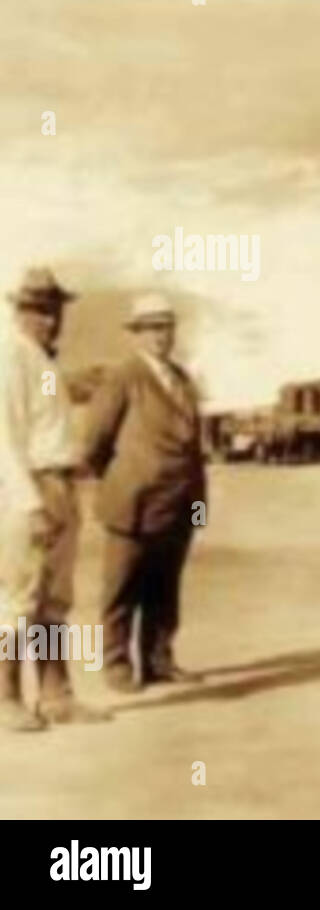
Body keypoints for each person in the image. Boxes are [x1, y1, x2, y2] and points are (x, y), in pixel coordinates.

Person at [0, 267, 110, 729]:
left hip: (61, 484)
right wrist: (29, 502)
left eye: (54, 309)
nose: (49, 318)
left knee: (55, 598)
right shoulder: (10, 355)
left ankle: (55, 695)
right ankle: (4, 699)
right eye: (39, 309)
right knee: (17, 596)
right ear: (20, 310)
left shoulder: (43, 361)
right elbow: (3, 437)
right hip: (28, 487)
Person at [83, 293, 206, 692]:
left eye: (166, 326)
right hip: (132, 504)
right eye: (151, 327)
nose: (160, 335)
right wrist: (122, 479)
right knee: (122, 587)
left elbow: (195, 449)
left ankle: (158, 660)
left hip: (180, 502)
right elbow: (94, 441)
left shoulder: (183, 379)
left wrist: (198, 510)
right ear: (136, 334)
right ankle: (117, 666)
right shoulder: (123, 377)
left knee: (165, 588)